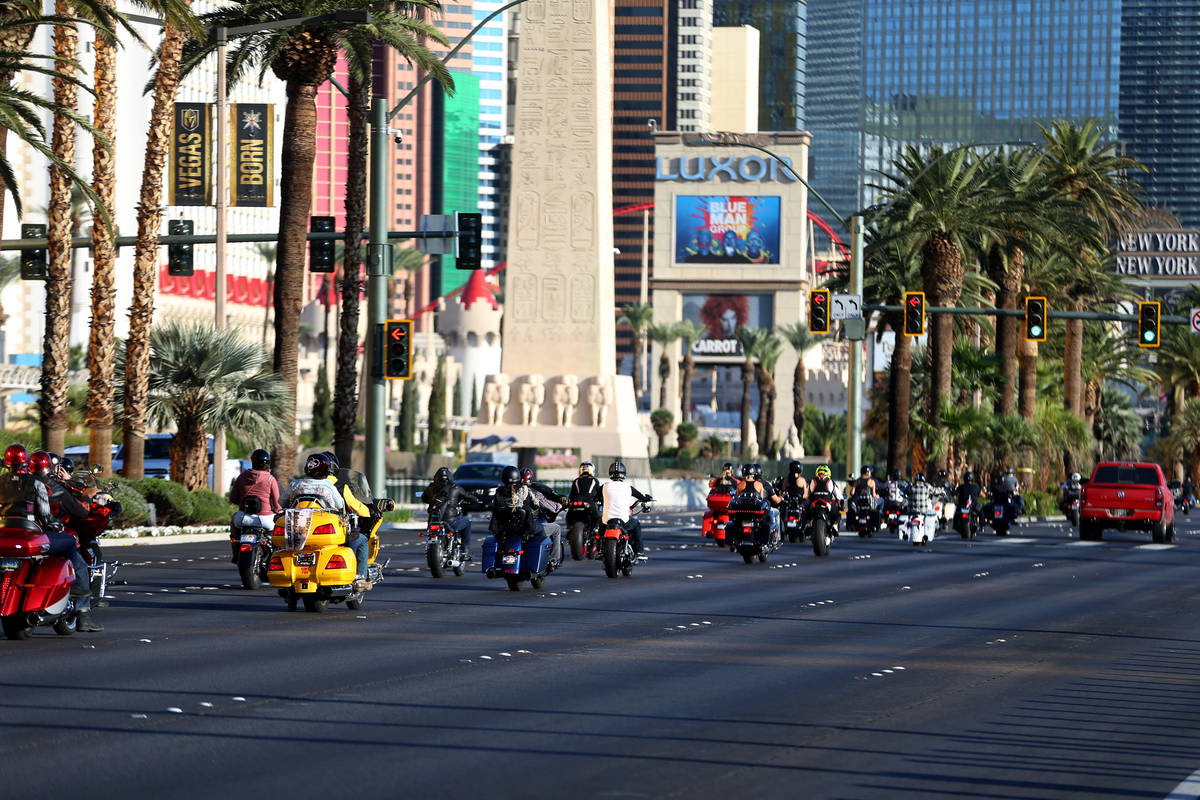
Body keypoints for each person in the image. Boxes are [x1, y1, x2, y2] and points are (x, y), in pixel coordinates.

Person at [10, 449, 101, 631]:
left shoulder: (14, 484)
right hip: (39, 535)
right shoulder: (47, 486)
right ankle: (83, 612)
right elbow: (78, 511)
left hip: (13, 535)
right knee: (78, 559)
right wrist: (86, 498)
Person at [323, 452, 377, 589]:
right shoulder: (341, 486)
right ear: (334, 468)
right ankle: (360, 577)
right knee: (363, 540)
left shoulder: (307, 486)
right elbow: (354, 505)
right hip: (335, 533)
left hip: (309, 534)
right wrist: (370, 512)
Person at [228, 448, 282, 563]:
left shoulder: (242, 476)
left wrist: (242, 504)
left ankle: (235, 551)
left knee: (234, 520)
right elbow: (277, 504)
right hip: (265, 519)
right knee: (278, 532)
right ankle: (275, 558)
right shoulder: (270, 479)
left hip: (243, 518)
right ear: (267, 464)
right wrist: (279, 511)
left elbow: (233, 498)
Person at [421, 466, 484, 562]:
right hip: (450, 521)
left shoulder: (431, 487)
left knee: (431, 534)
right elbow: (468, 496)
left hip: (434, 521)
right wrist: (477, 500)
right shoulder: (455, 487)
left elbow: (424, 498)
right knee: (467, 522)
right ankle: (465, 551)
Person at [600, 460, 652, 558]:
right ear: (624, 473)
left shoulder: (604, 486)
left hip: (607, 520)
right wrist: (646, 498)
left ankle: (600, 549)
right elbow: (641, 497)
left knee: (600, 527)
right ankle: (639, 551)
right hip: (624, 520)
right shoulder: (628, 487)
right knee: (636, 525)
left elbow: (595, 496)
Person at [519, 466, 566, 566]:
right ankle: (554, 560)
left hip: (512, 527)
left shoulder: (510, 492)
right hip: (529, 526)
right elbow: (552, 507)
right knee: (557, 529)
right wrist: (560, 505)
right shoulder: (534, 493)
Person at [737, 462, 784, 540]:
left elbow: (737, 498)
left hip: (744, 512)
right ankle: (777, 537)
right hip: (757, 512)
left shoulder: (740, 485)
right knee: (774, 514)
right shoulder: (761, 485)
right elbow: (762, 500)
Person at [568, 461, 604, 530]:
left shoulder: (576, 480)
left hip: (576, 503)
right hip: (590, 503)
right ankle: (595, 530)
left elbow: (571, 496)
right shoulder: (594, 480)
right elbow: (599, 494)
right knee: (598, 517)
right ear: (592, 470)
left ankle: (569, 530)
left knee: (569, 516)